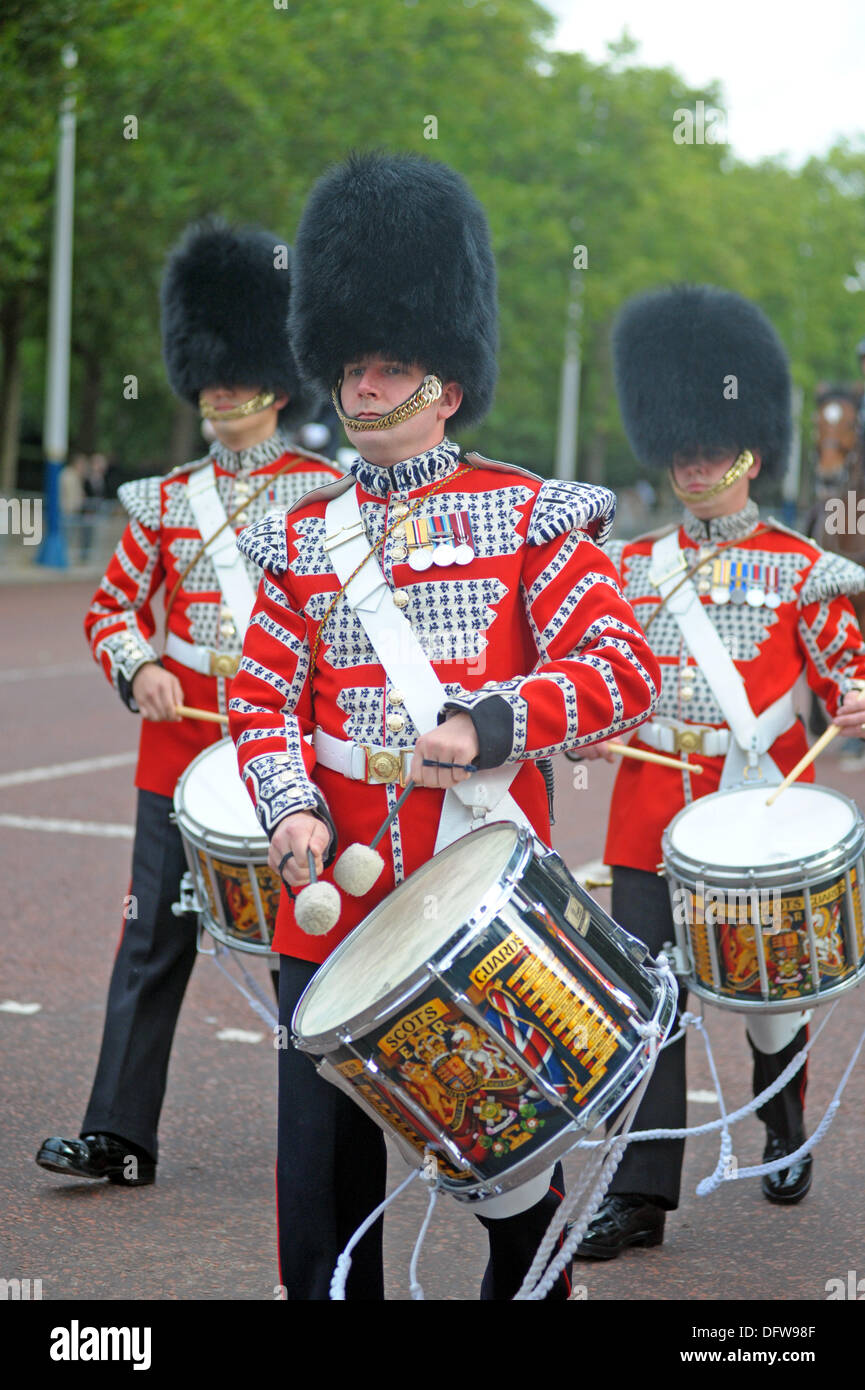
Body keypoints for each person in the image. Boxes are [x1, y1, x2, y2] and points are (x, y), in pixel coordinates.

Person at [228, 152, 662, 1300]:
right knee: (320, 1174)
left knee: (508, 1160)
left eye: (388, 370)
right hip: (335, 891)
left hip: (476, 880)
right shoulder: (299, 536)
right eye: (351, 370)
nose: (360, 390)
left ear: (446, 386)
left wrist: (490, 720)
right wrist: (288, 811)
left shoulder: (530, 513)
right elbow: (259, 696)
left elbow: (624, 669)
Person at [35, 217, 341, 1187]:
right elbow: (113, 608)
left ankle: (341, 1139)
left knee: (322, 939)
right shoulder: (163, 500)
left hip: (287, 754)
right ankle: (119, 1133)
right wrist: (138, 669)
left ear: (274, 380)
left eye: (234, 372)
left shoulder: (326, 493)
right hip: (178, 756)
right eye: (205, 373)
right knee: (151, 940)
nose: (217, 390)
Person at [575, 284, 865, 1260]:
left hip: (760, 814)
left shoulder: (800, 567)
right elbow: (604, 678)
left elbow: (842, 669)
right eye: (684, 448)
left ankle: (781, 1121)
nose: (696, 463)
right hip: (647, 809)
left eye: (713, 447)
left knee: (767, 998)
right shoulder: (626, 569)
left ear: (750, 452)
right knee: (644, 1002)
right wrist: (581, 724)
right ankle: (640, 1194)